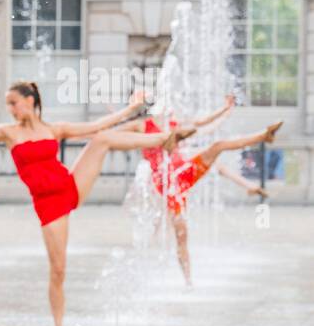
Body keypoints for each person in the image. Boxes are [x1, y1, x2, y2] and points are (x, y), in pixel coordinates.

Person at [0, 81, 190, 326]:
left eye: (14, 103)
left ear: (30, 101)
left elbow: (97, 126)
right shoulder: (8, 132)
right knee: (58, 270)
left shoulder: (55, 129)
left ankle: (163, 139)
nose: (11, 109)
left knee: (102, 139)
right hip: (48, 205)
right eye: (8, 104)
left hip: (70, 186)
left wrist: (130, 110)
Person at [118, 94, 280, 286]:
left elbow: (201, 122)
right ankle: (188, 281)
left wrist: (224, 109)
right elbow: (114, 132)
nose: (169, 108)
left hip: (184, 171)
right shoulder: (142, 125)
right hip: (168, 182)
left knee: (218, 146)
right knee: (181, 234)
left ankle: (263, 136)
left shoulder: (173, 125)